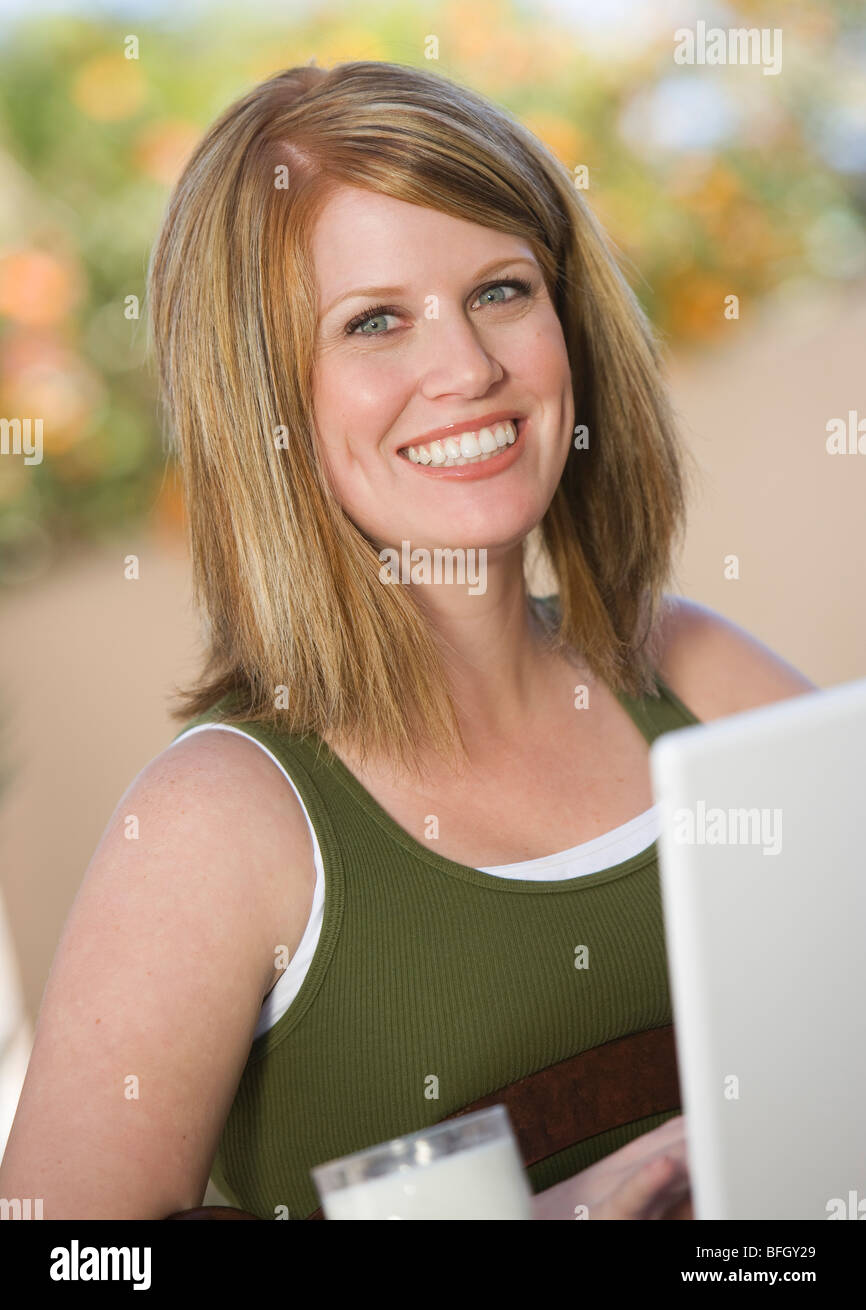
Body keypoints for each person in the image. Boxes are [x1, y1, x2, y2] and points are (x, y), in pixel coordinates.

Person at [0, 61, 816, 1220]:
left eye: (500, 290)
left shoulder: (692, 669)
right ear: (267, 400)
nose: (468, 369)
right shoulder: (217, 822)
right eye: (374, 320)